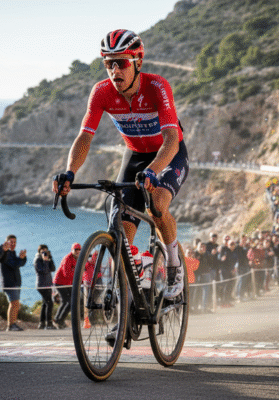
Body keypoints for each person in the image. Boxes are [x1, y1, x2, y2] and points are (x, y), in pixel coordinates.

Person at [53, 29, 189, 300]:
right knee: (121, 233)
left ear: (138, 62)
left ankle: (174, 264)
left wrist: (153, 170)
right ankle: (130, 296)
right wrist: (70, 172)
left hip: (167, 154)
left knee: (157, 205)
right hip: (135, 156)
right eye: (108, 63)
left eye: (121, 63)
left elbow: (172, 140)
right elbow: (85, 136)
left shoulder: (157, 86)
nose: (114, 70)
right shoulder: (101, 92)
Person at [0, 234, 27, 332]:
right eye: (11, 242)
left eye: (15, 242)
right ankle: (10, 325)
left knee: (16, 304)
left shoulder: (12, 253)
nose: (13, 244)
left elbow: (20, 264)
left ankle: (13, 324)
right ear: (6, 242)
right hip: (9, 283)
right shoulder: (5, 254)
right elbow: (14, 265)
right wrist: (20, 259)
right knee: (14, 303)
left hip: (15, 282)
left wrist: (22, 258)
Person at [53, 242, 80, 329]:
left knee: (67, 301)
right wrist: (78, 276)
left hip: (67, 283)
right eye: (76, 249)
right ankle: (59, 320)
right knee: (69, 302)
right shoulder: (67, 258)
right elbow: (67, 274)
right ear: (72, 250)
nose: (78, 251)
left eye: (79, 249)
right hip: (60, 282)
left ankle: (58, 319)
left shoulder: (78, 258)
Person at [34, 244, 56, 329]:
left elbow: (53, 268)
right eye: (42, 251)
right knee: (49, 303)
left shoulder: (47, 258)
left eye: (45, 251)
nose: (44, 253)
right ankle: (49, 324)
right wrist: (45, 261)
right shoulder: (37, 260)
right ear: (39, 252)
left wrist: (50, 258)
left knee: (45, 303)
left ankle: (42, 323)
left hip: (48, 284)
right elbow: (44, 270)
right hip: (41, 285)